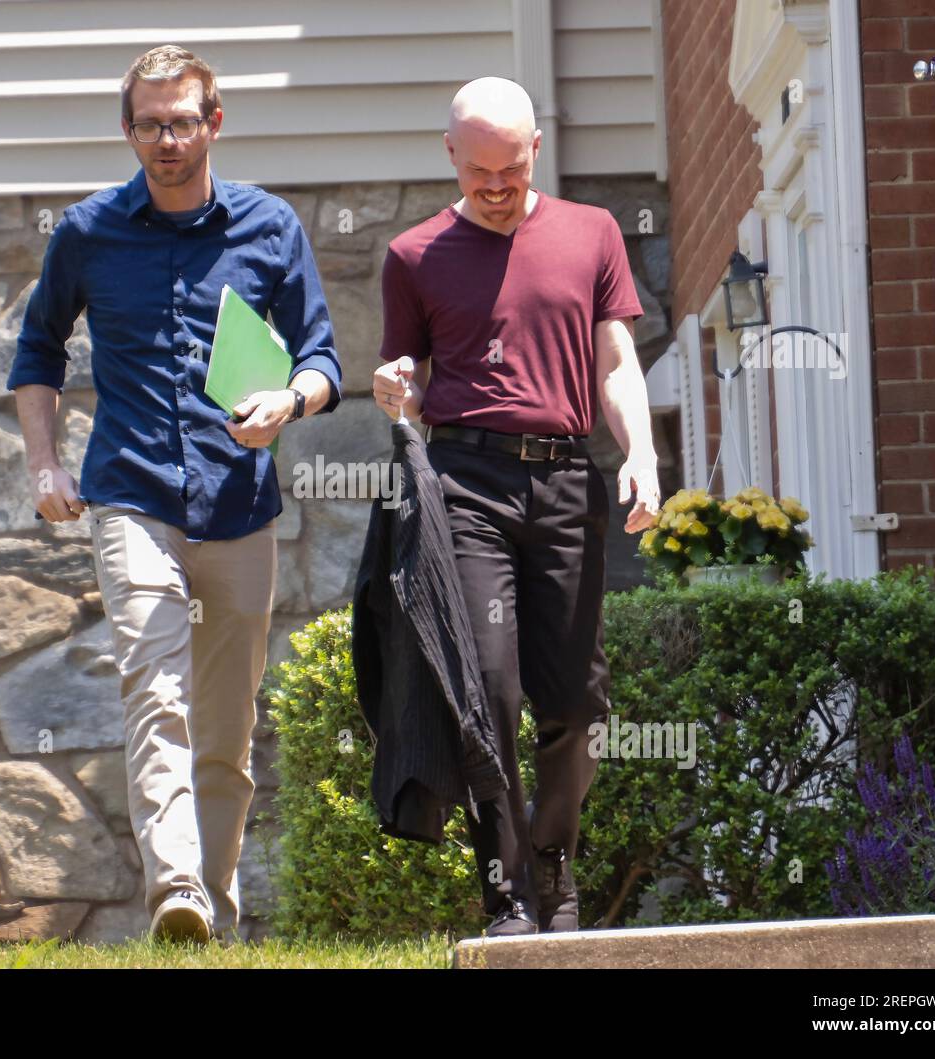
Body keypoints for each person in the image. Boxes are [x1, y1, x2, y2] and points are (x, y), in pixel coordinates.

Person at [8, 45, 341, 945]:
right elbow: (36, 353)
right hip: (132, 496)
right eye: (150, 123)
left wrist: (289, 400)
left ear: (214, 122)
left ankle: (212, 912)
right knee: (154, 690)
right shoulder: (85, 232)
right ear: (128, 130)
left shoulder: (269, 227)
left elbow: (322, 358)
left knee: (227, 729)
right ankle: (176, 888)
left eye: (182, 120)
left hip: (240, 504)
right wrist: (45, 464)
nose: (167, 138)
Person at [372, 77, 660, 937]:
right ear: (451, 157)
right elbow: (408, 379)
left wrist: (640, 452)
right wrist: (396, 388)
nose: (495, 187)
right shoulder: (414, 256)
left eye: (511, 167)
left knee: (576, 701)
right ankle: (506, 895)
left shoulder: (592, 232)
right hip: (466, 484)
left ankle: (552, 864)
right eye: (477, 173)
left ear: (538, 147)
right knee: (487, 689)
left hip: (568, 481)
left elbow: (614, 362)